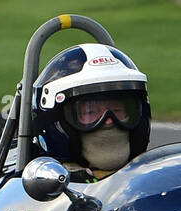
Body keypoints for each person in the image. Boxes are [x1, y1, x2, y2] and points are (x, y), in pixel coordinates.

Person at [30, 43, 150, 179]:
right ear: (61, 122)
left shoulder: (154, 177)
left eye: (117, 110)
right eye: (91, 112)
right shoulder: (40, 191)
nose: (109, 121)